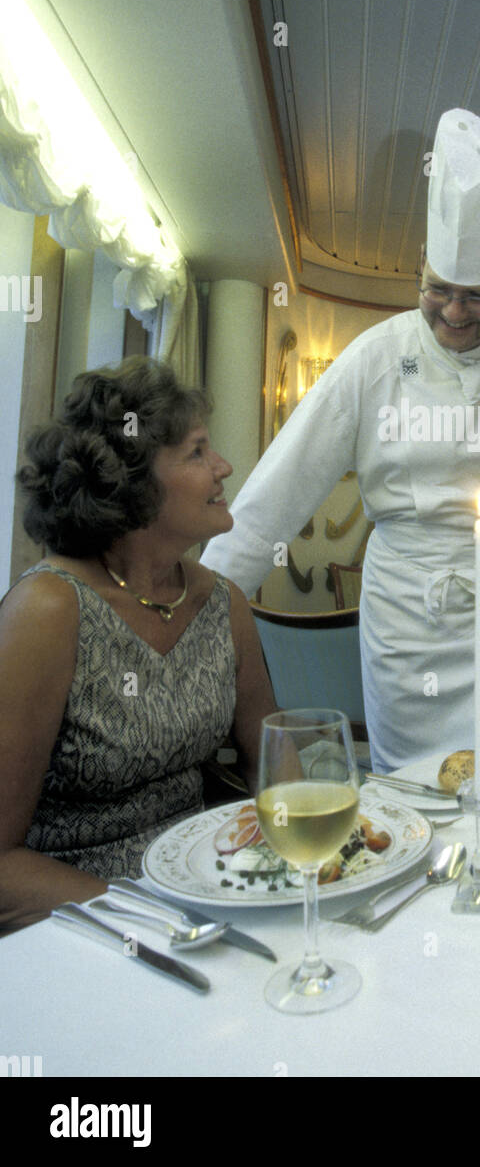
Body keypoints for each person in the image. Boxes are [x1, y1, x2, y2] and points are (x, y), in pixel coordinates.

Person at [202, 108, 480, 770]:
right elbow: (279, 489)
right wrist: (199, 604)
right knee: (418, 790)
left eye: (477, 297)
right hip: (404, 621)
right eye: (438, 289)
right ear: (419, 267)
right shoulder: (374, 358)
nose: (453, 312)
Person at [0, 357, 276, 932]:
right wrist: (159, 919)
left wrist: (305, 850)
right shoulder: (49, 610)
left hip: (206, 894)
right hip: (84, 921)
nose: (223, 467)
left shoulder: (223, 603)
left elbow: (273, 759)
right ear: (132, 482)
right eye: (197, 452)